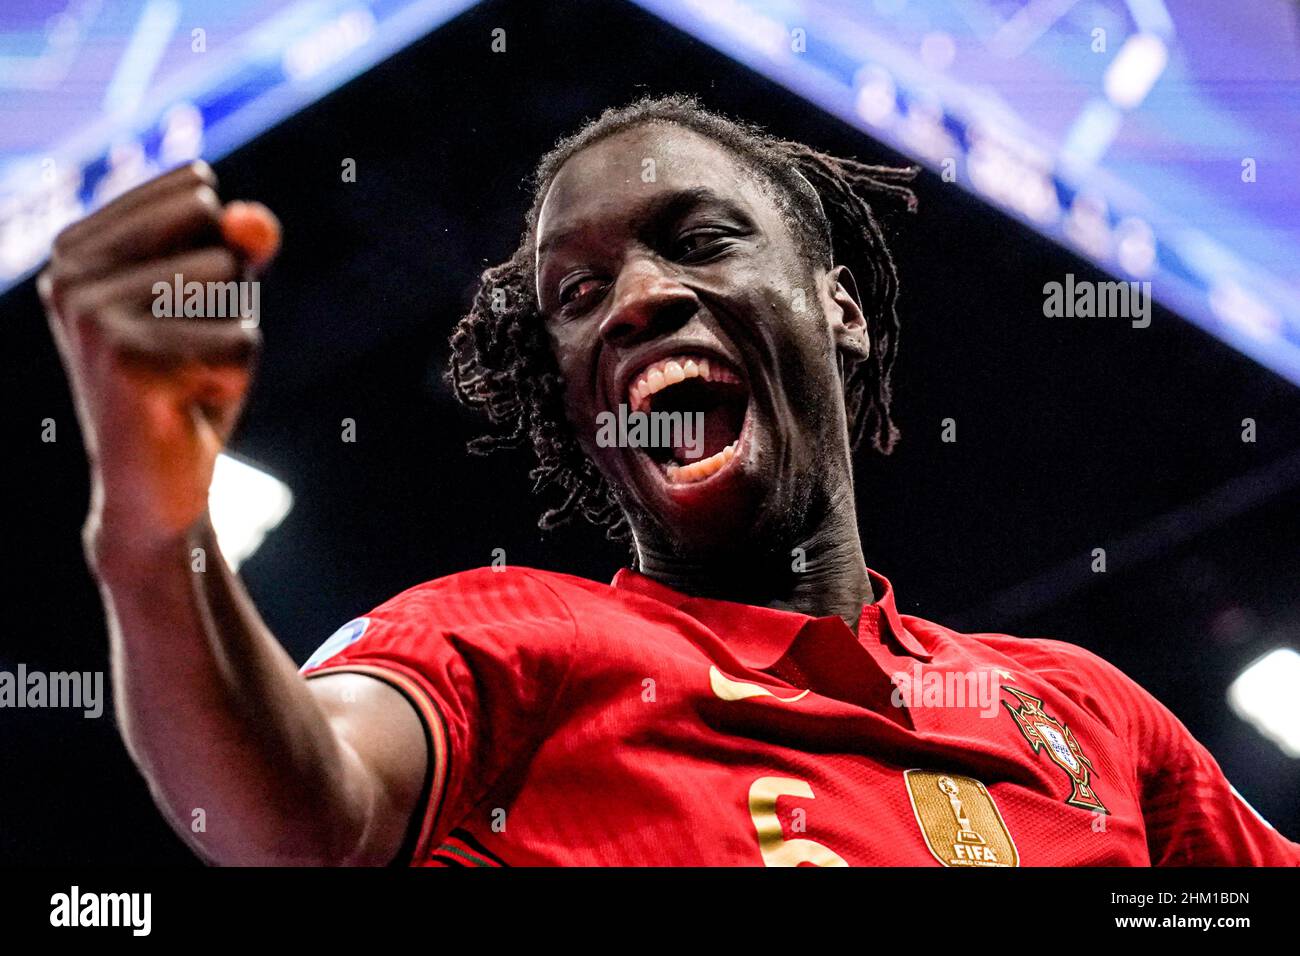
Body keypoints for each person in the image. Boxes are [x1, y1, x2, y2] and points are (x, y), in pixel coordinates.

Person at [40, 95, 1300, 866]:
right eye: (576, 298)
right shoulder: (505, 642)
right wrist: (155, 536)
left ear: (836, 306)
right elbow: (289, 819)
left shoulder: (1083, 712)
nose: (636, 300)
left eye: (698, 242)